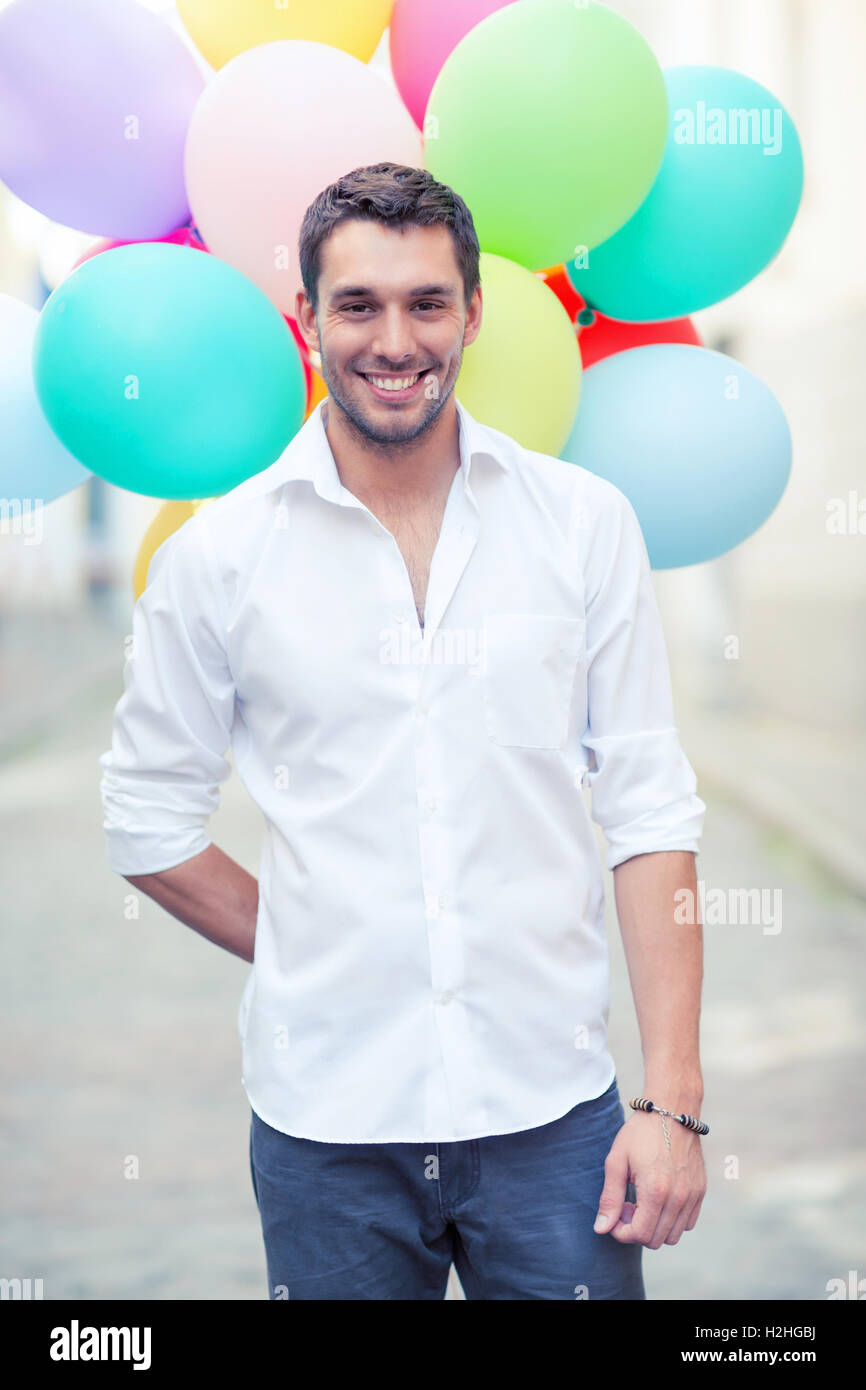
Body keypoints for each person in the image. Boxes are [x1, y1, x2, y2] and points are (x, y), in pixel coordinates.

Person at [99, 162, 708, 1301]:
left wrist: (671, 1101)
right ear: (307, 319)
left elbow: (649, 812)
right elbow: (145, 819)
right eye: (359, 305)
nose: (395, 341)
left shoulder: (583, 526)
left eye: (427, 302)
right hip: (326, 1130)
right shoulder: (218, 559)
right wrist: (320, 943)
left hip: (554, 1116)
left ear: (473, 312)